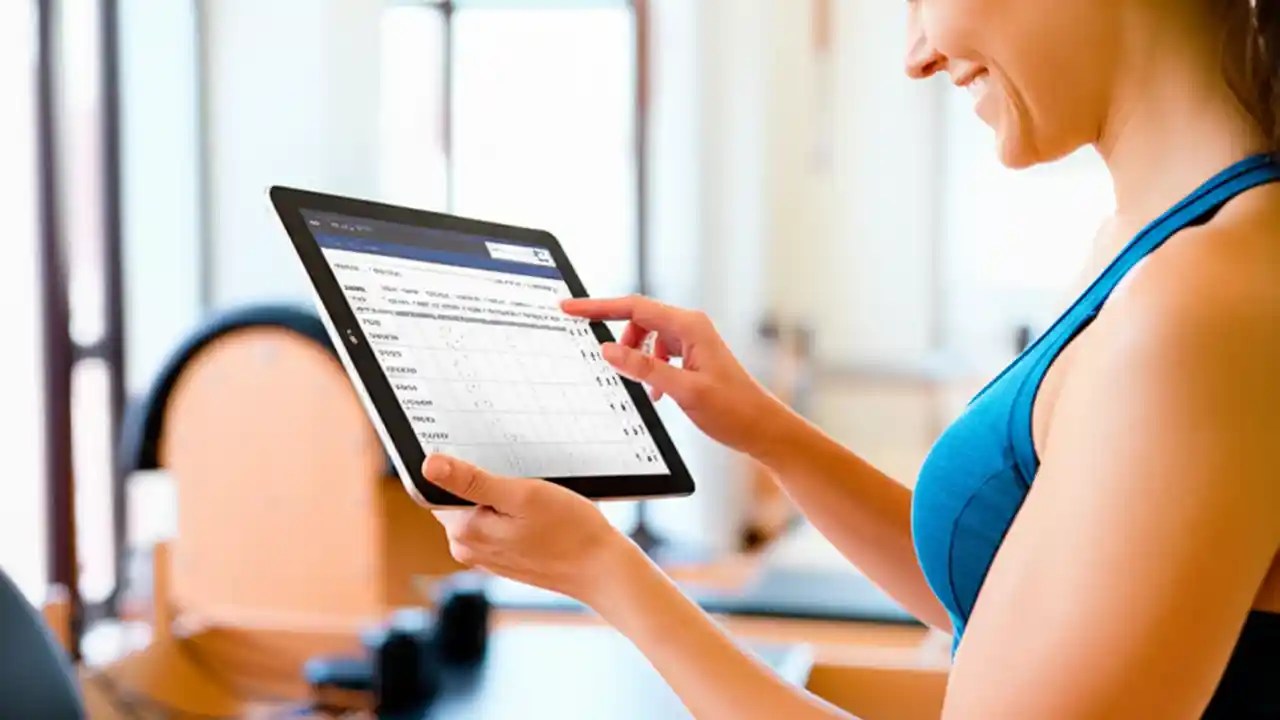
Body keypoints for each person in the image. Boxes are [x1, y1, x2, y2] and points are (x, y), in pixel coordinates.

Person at [423, 1, 1280, 716]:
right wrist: (768, 433)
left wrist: (603, 572)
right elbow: (1022, 607)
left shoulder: (1198, 304)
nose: (915, 54)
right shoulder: (1162, 253)